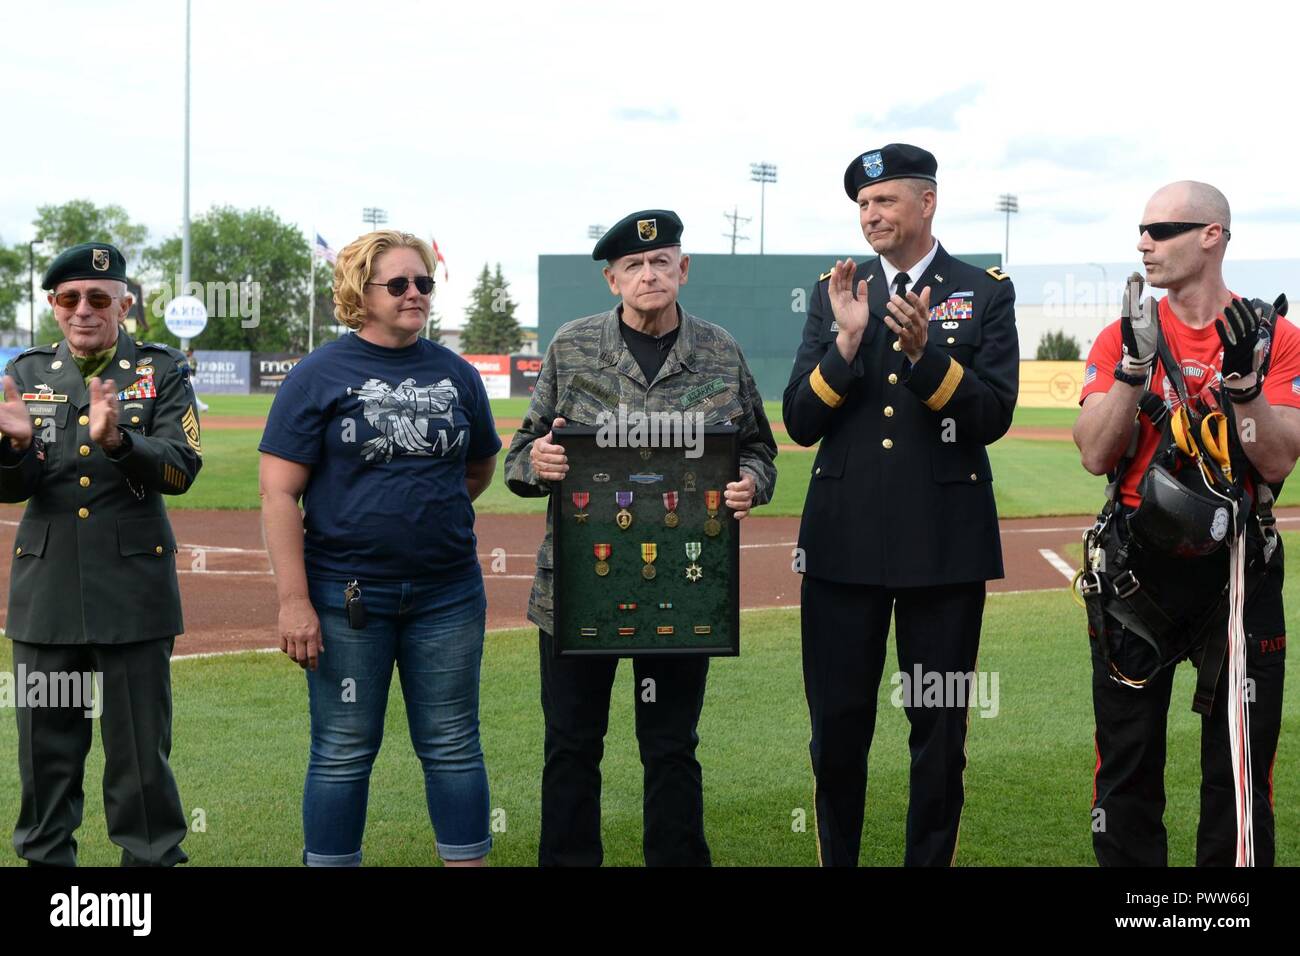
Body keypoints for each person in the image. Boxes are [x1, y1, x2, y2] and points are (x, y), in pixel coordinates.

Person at [505, 209, 777, 866]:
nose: (649, 274)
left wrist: (749, 482)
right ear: (612, 279)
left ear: (683, 269)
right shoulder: (572, 348)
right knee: (572, 746)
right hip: (578, 588)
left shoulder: (721, 350)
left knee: (672, 747)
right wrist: (536, 463)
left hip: (683, 588)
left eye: (662, 262)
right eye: (634, 265)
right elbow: (519, 457)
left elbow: (760, 450)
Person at [784, 144, 1019, 866]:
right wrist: (846, 343)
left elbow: (992, 416)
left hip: (943, 551)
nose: (871, 215)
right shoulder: (836, 291)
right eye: (862, 203)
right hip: (841, 548)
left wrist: (927, 360)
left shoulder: (982, 290)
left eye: (885, 200)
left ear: (927, 203)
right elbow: (799, 421)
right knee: (839, 728)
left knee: (939, 730)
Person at [259, 230, 500, 866]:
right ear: (358, 294)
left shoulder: (456, 374)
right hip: (345, 599)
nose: (416, 293)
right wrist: (293, 602)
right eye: (398, 284)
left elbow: (476, 470)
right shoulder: (317, 375)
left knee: (452, 743)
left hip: (448, 594)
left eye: (423, 282)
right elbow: (279, 494)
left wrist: (417, 516)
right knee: (342, 747)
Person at [1074, 181, 1297, 866]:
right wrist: (1133, 373)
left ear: (1213, 236)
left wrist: (1245, 390)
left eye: (1163, 228)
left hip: (1238, 576)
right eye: (1141, 229)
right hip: (1138, 577)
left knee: (1238, 772)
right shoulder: (1122, 334)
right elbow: (1093, 452)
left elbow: (1280, 457)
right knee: (1127, 770)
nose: (1145, 242)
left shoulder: (1274, 337)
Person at [0, 241, 201, 866]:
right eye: (69, 299)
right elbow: (11, 490)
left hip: (133, 598)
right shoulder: (28, 375)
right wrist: (12, 451)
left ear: (124, 305)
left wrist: (119, 441)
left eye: (98, 298)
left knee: (140, 763)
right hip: (47, 596)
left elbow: (180, 470)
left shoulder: (160, 372)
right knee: (45, 762)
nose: (83, 310)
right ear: (55, 306)